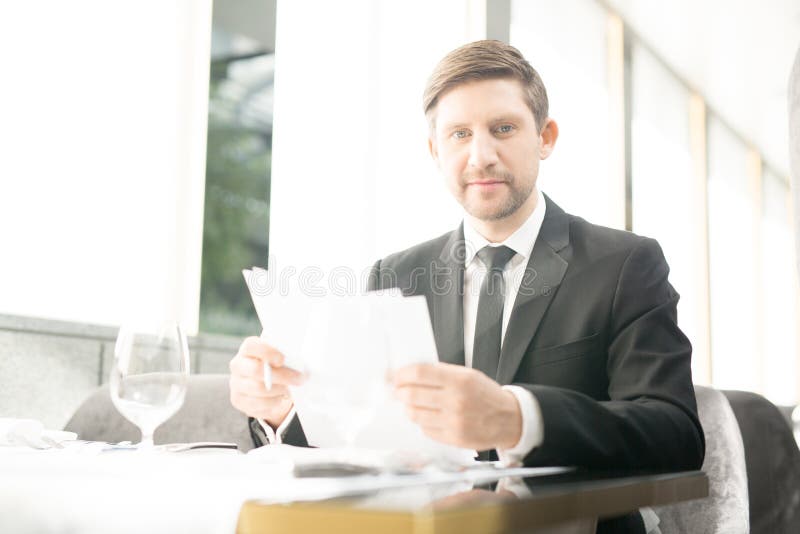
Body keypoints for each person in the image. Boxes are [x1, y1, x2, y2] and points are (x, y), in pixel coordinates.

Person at [229, 40, 704, 533]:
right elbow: (361, 434)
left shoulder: (625, 264)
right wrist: (286, 411)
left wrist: (519, 417)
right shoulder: (395, 275)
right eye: (459, 134)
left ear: (545, 137)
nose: (481, 156)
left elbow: (675, 434)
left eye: (503, 128)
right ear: (435, 150)